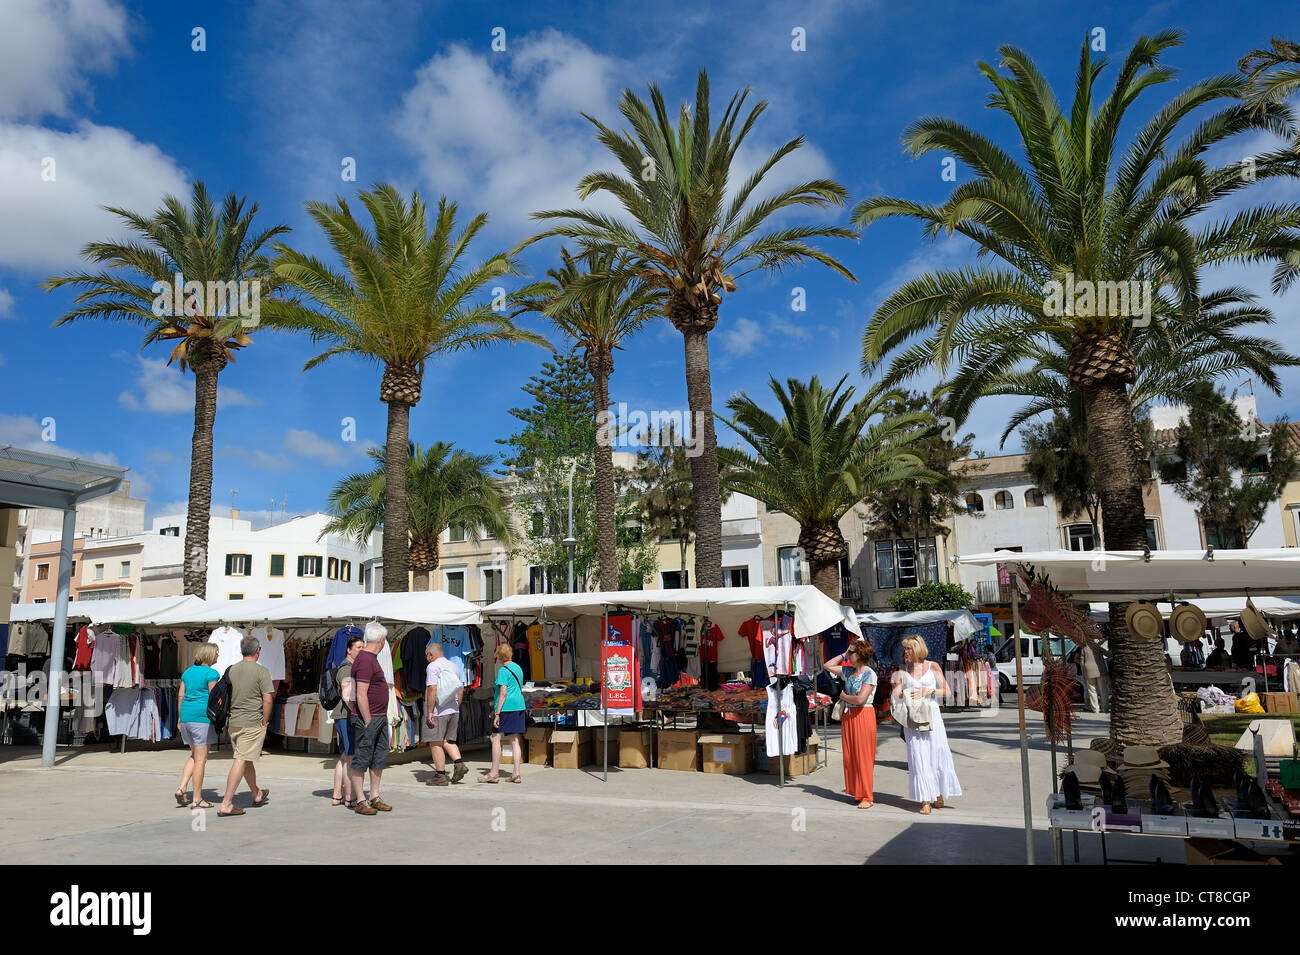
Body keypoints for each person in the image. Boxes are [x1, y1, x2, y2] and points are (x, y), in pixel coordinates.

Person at [892, 634, 962, 815]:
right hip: (913, 719)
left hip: (932, 716)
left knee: (936, 753)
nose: (906, 652)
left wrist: (927, 690)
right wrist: (900, 692)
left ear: (918, 649)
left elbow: (947, 692)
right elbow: (896, 695)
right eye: (905, 648)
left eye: (909, 648)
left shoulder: (933, 666)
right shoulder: (902, 670)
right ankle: (925, 800)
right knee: (918, 756)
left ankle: (938, 793)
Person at [217, 636, 273, 817]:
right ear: (258, 651)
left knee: (246, 758)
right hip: (252, 722)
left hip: (234, 722)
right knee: (241, 759)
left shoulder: (231, 670)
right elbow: (267, 699)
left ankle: (256, 793)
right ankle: (226, 803)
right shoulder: (261, 671)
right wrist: (265, 720)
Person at [825, 638, 877, 809]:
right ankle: (858, 791)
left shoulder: (869, 673)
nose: (848, 655)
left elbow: (861, 699)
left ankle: (867, 796)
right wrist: (844, 653)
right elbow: (827, 665)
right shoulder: (849, 671)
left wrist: (844, 697)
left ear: (860, 655)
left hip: (863, 715)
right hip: (849, 715)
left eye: (851, 652)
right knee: (851, 755)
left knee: (863, 756)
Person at [349, 627, 392, 815]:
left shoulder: (368, 658)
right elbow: (360, 693)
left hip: (378, 716)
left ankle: (374, 797)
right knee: (362, 758)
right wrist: (367, 720)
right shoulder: (366, 659)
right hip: (370, 717)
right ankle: (360, 800)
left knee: (378, 758)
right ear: (381, 640)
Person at [175, 643, 220, 808]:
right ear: (209, 655)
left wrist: (180, 718)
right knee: (201, 759)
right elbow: (214, 698)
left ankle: (182, 788)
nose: (218, 656)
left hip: (186, 716)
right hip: (201, 718)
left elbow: (181, 695)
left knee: (194, 755)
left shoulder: (187, 672)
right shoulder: (211, 673)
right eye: (216, 653)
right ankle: (197, 798)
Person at [424, 641, 467, 786]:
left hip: (438, 710)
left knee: (435, 742)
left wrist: (430, 711)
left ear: (431, 654)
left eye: (427, 656)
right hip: (454, 709)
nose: (427, 658)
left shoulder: (432, 666)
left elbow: (432, 689)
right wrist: (457, 706)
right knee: (448, 741)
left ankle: (440, 775)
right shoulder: (454, 666)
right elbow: (460, 688)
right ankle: (459, 763)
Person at [480, 644, 525, 784]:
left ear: (499, 657)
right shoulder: (518, 668)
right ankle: (516, 773)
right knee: (514, 739)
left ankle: (494, 772)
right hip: (519, 705)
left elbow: (503, 693)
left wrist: (497, 713)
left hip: (507, 707)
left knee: (495, 737)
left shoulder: (503, 671)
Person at [331, 633, 363, 808]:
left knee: (344, 757)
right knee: (350, 757)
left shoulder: (350, 666)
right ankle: (349, 796)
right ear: (349, 650)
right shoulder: (346, 668)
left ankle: (337, 795)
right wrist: (357, 713)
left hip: (342, 715)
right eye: (358, 647)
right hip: (346, 715)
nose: (362, 650)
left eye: (363, 647)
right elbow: (347, 694)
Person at [1077, 638, 1110, 714]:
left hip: (1089, 672)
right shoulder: (1098, 647)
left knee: (1092, 691)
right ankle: (1105, 709)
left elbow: (1082, 663)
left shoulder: (1084, 649)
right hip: (1100, 671)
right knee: (1103, 690)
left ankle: (1096, 709)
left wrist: (1084, 673)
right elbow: (1108, 654)